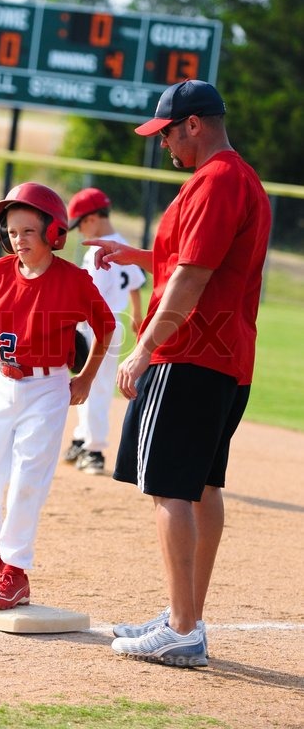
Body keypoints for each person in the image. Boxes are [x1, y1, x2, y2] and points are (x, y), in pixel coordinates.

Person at [86, 80, 271, 667]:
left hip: (188, 353)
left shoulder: (216, 181)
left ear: (194, 124)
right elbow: (201, 263)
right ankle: (182, 614)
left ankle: (185, 629)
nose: (163, 142)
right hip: (226, 356)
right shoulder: (241, 179)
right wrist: (142, 258)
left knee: (169, 487)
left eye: (166, 131)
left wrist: (144, 347)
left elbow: (190, 281)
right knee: (202, 487)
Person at [0, 182, 115, 610]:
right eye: (10, 231)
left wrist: (85, 378)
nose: (16, 240)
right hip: (5, 385)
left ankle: (15, 572)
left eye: (27, 231)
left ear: (53, 233)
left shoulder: (73, 281)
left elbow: (106, 327)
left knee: (27, 480)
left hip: (47, 388)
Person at [63, 187, 145, 474]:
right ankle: (82, 436)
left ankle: (94, 450)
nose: (80, 230)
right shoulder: (121, 243)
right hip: (113, 325)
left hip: (97, 327)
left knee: (92, 386)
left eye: (82, 223)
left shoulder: (99, 249)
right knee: (88, 383)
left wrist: (70, 321)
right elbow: (136, 282)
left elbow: (90, 295)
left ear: (95, 217)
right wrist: (136, 312)